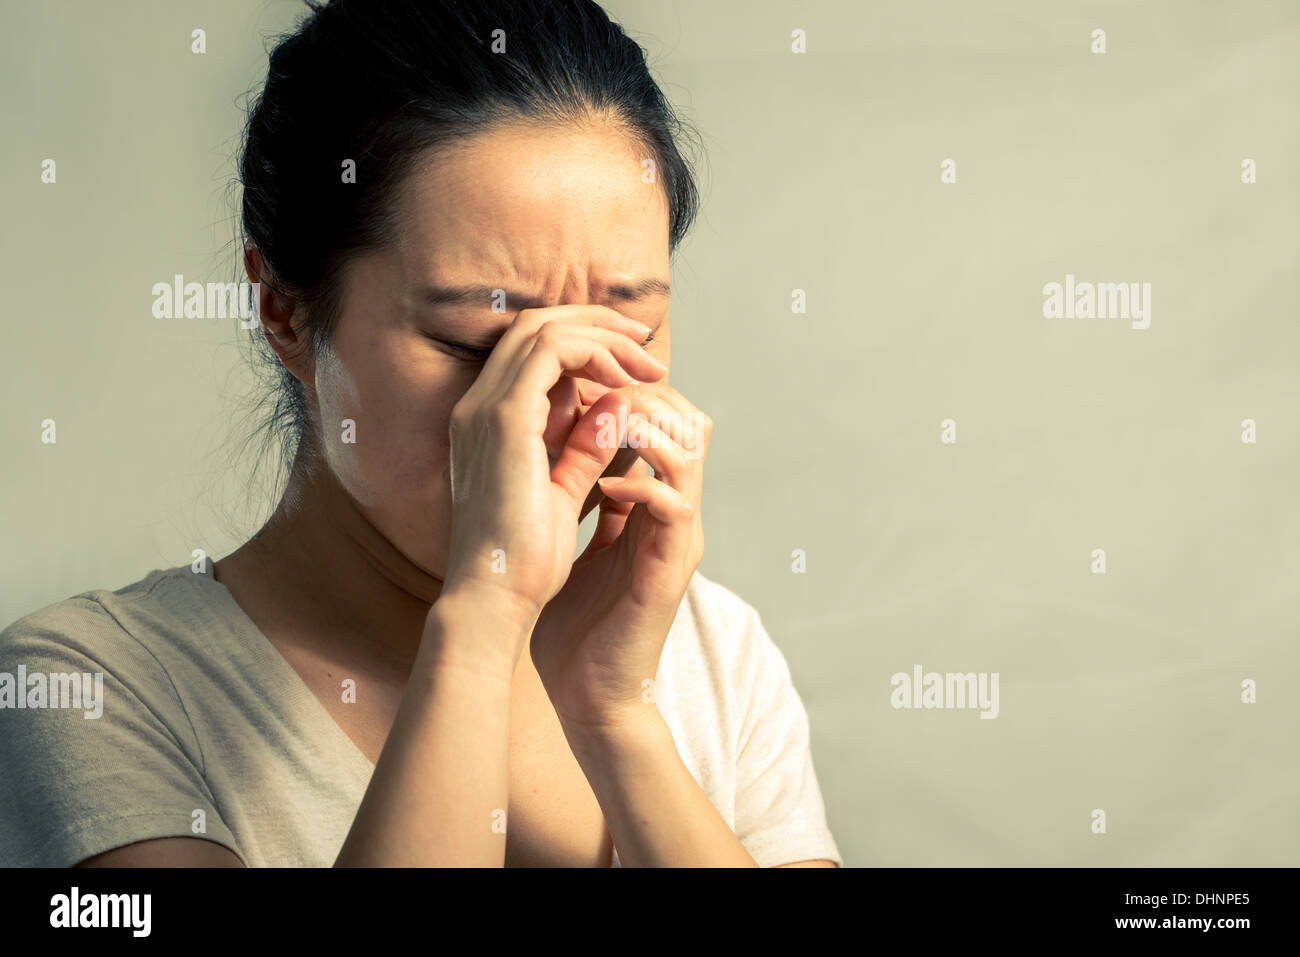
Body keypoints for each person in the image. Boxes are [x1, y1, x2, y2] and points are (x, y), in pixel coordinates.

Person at [0, 0, 841, 868]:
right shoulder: (93, 686)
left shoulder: (710, 653)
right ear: (284, 309)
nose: (552, 402)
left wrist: (616, 716)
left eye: (627, 329)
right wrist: (484, 618)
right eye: (475, 343)